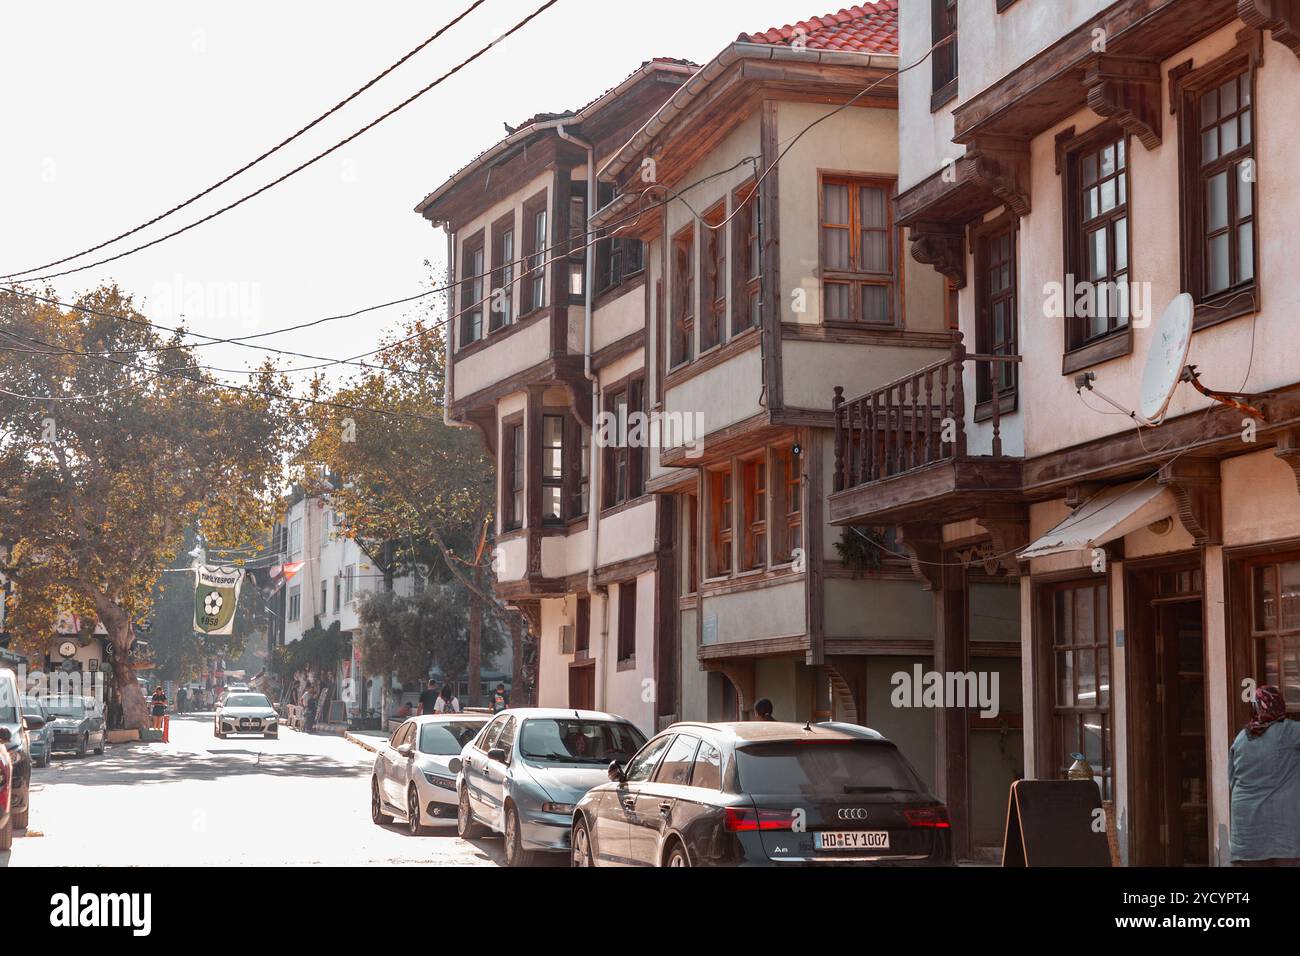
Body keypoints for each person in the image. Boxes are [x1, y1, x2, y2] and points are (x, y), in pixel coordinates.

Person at [1229, 684, 1300, 866]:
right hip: (1282, 829)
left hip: (1246, 829)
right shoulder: (1288, 732)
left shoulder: (1241, 739)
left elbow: (1232, 780)